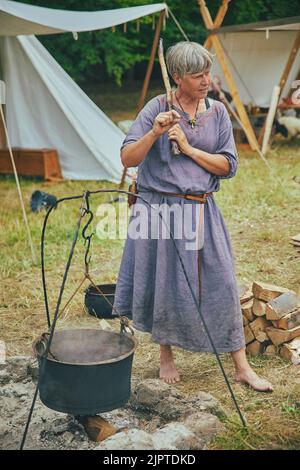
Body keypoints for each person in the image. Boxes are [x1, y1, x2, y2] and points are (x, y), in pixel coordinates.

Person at [113, 41, 273, 392]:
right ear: (177, 77)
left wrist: (188, 147)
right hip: (159, 209)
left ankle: (242, 367)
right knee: (163, 283)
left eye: (207, 73)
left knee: (224, 285)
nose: (206, 81)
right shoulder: (156, 108)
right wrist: (155, 131)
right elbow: (128, 158)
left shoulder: (216, 113)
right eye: (198, 75)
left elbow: (228, 166)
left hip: (201, 209)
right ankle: (165, 356)